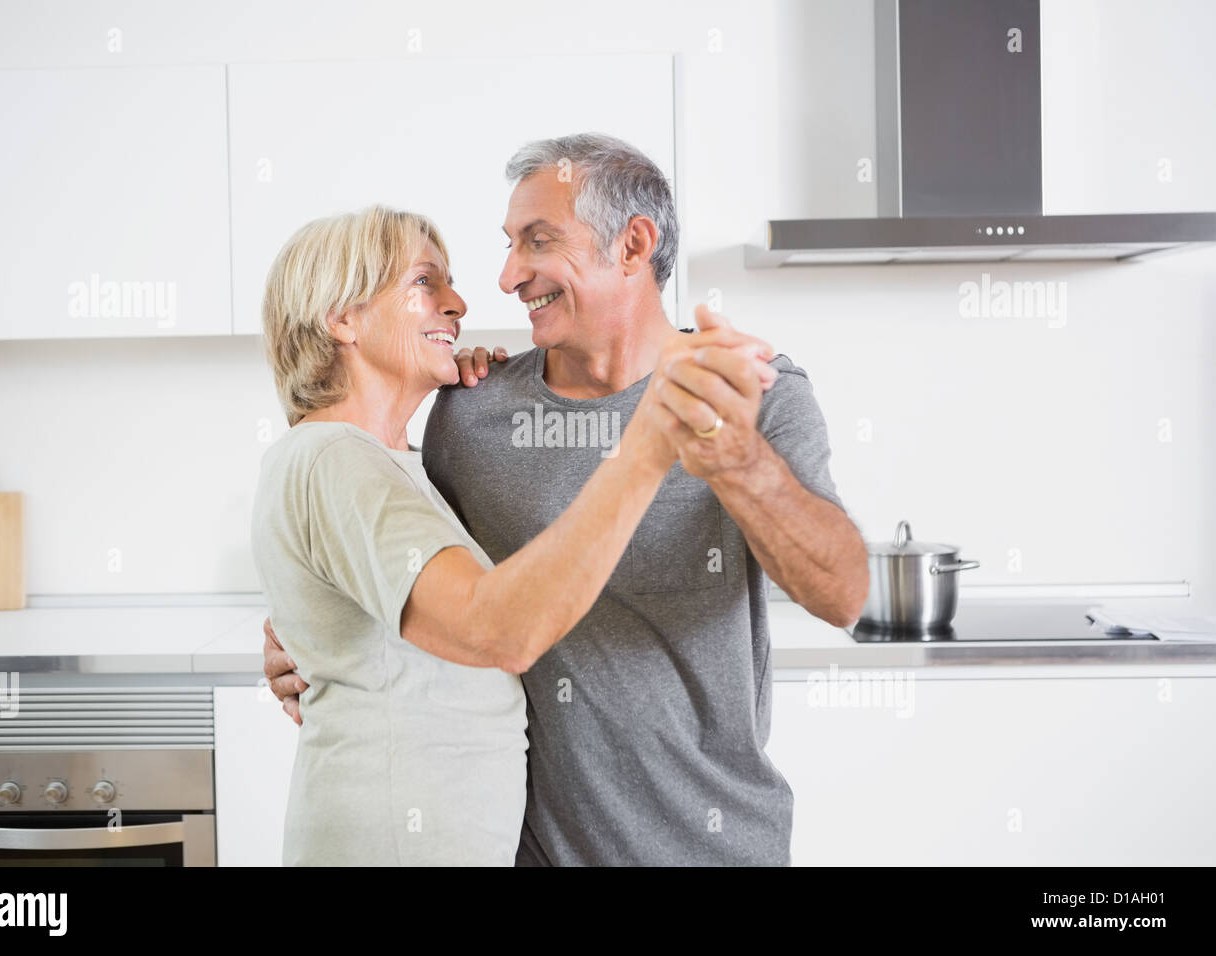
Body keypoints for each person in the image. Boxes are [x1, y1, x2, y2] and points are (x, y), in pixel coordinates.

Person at [267, 133, 869, 865]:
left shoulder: (749, 392)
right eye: (509, 244)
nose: (507, 276)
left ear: (633, 245)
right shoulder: (472, 415)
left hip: (713, 843)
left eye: (538, 242)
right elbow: (429, 587)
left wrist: (737, 458)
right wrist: (310, 629)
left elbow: (843, 594)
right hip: (532, 851)